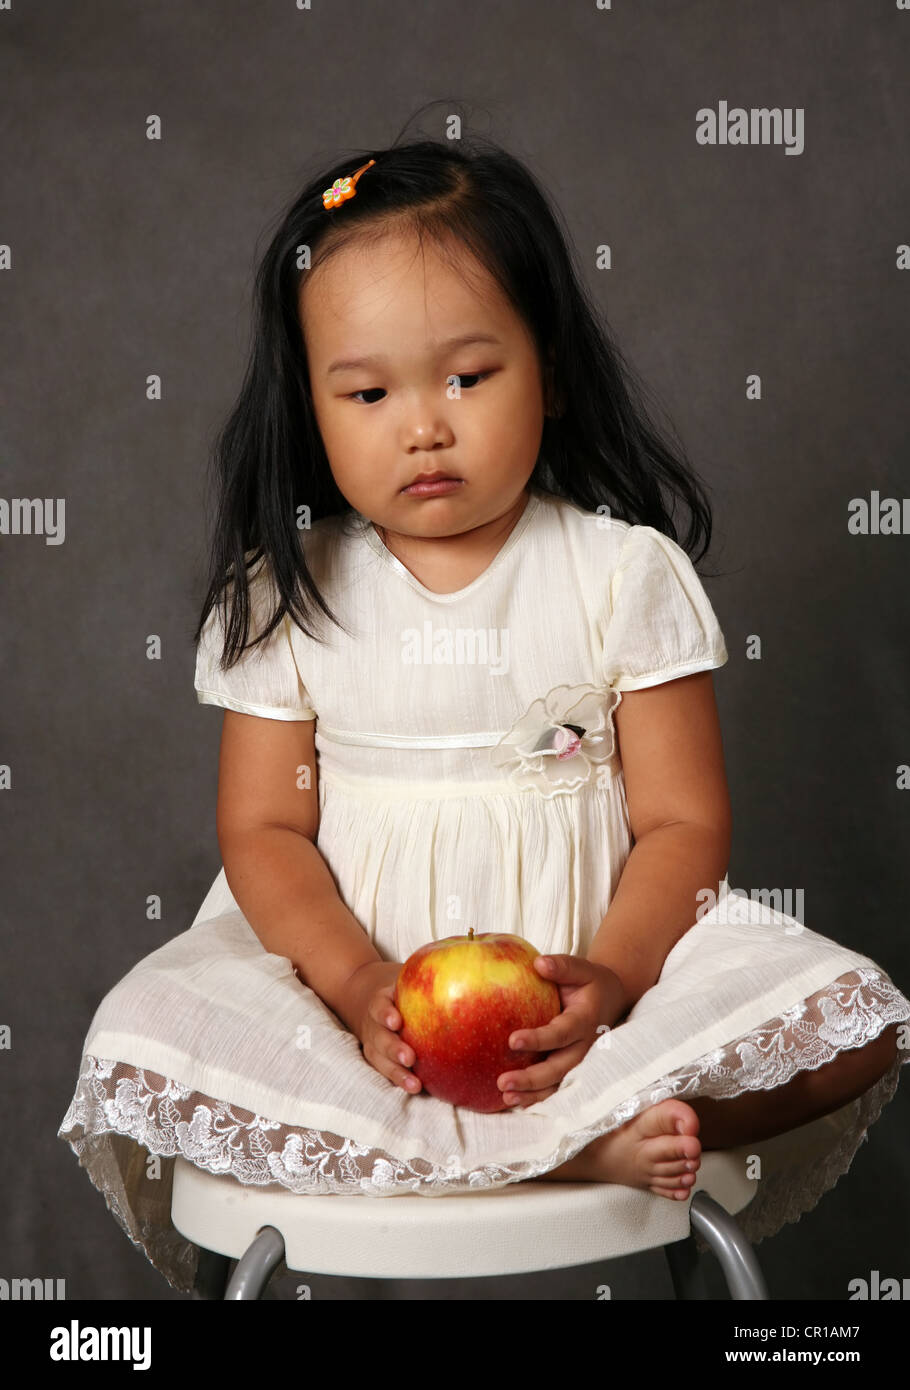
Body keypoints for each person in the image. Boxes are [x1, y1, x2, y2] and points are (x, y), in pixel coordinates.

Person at [59, 134, 909, 1294]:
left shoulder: (619, 573)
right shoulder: (287, 591)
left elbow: (680, 826)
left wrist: (606, 981)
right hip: (367, 1020)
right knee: (154, 1038)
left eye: (468, 376)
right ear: (311, 407)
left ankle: (570, 1118)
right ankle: (565, 1159)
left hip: (584, 1007)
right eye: (367, 392)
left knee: (856, 1027)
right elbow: (263, 831)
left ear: (547, 369)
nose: (424, 425)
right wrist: (358, 985)